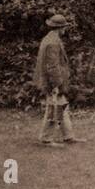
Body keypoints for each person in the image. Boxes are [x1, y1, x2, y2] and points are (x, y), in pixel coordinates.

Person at [34, 13, 81, 145]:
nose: (65, 29)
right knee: (54, 108)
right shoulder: (53, 42)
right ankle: (46, 139)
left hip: (51, 81)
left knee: (61, 107)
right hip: (52, 82)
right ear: (61, 28)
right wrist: (57, 84)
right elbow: (52, 66)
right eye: (64, 27)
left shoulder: (49, 38)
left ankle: (68, 137)